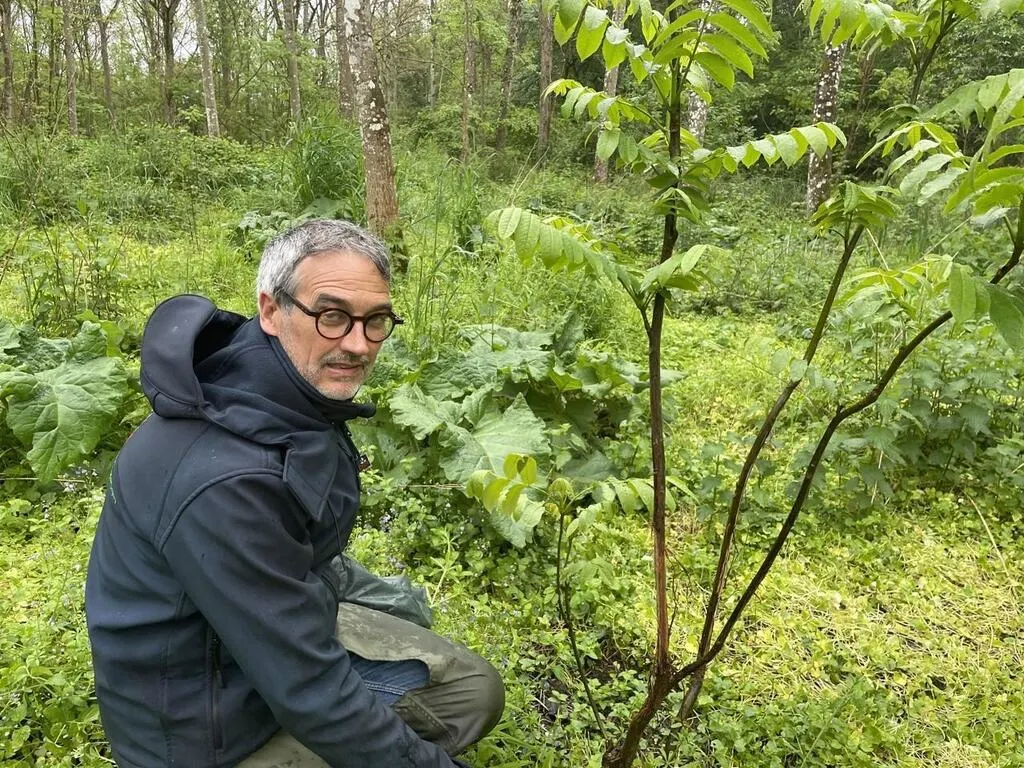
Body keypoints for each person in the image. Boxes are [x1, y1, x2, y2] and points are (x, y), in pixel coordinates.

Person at [84, 219, 504, 768]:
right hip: (201, 733)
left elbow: (298, 554)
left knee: (471, 690)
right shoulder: (225, 482)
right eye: (331, 316)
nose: (357, 344)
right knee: (351, 713)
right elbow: (313, 692)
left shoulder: (272, 390)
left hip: (247, 650)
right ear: (269, 310)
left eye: (375, 320)